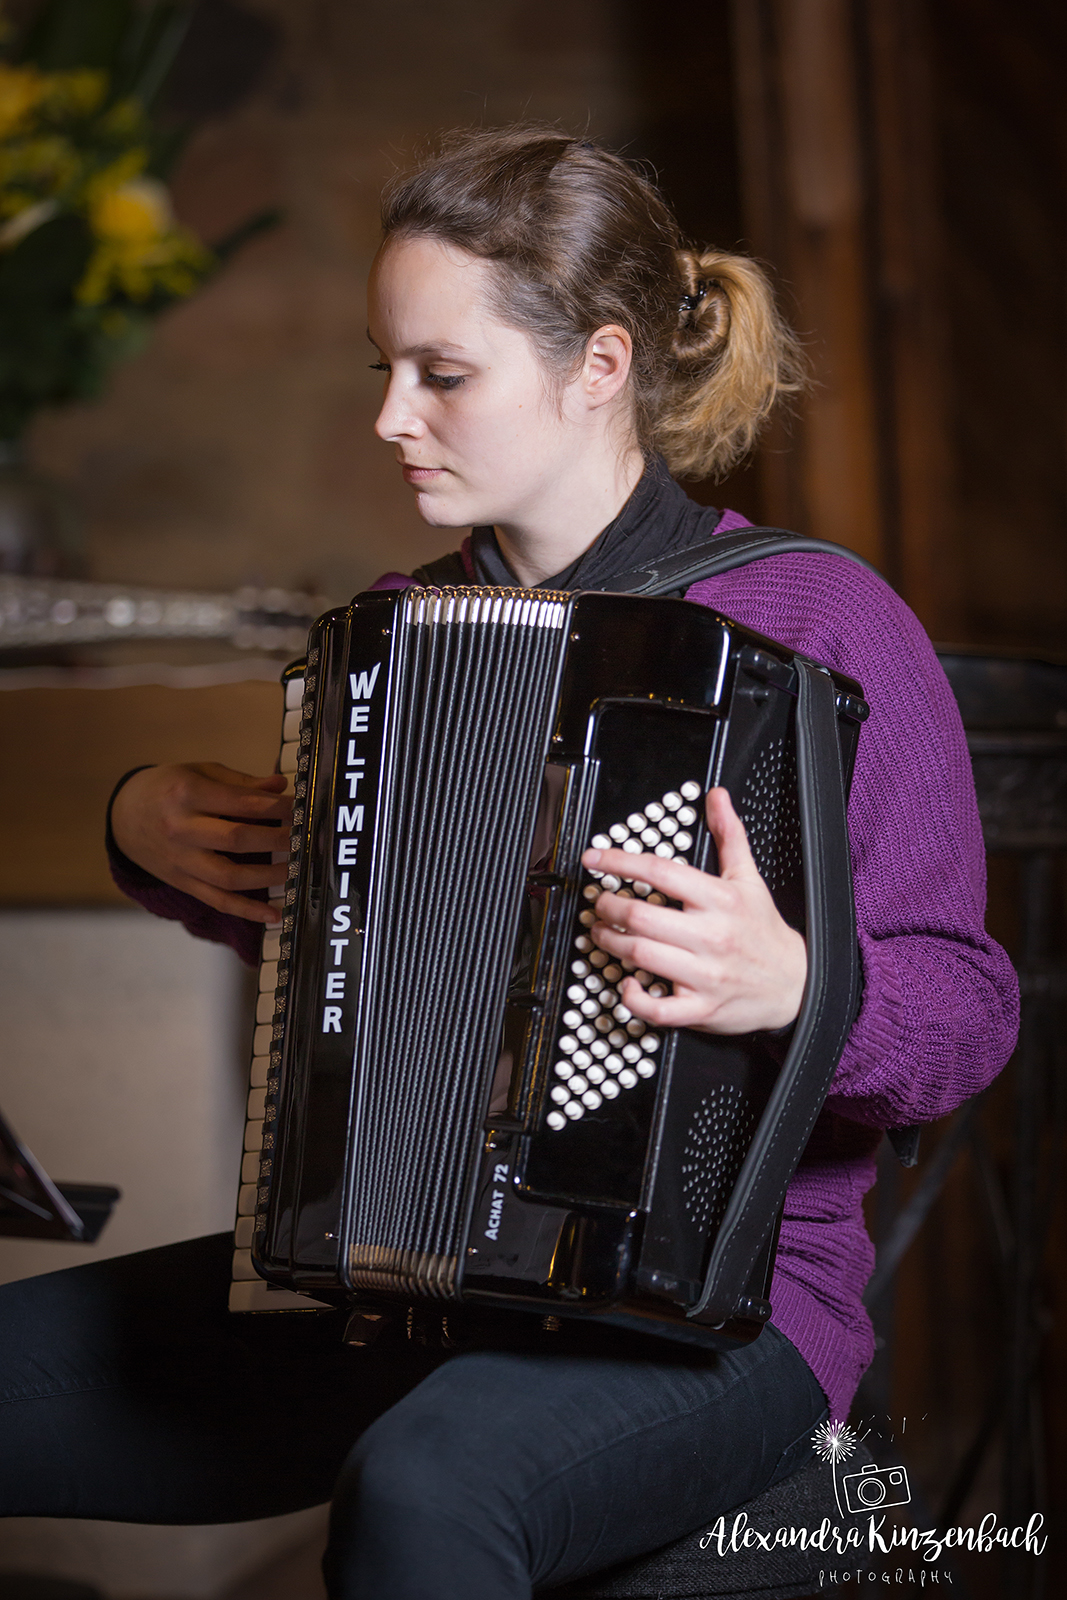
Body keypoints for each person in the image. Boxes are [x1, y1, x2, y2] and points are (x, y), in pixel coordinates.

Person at [0, 127, 1018, 1599]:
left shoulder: (822, 618)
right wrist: (143, 825)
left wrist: (798, 985)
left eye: (443, 373)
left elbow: (970, 1014)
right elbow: (364, 957)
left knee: (430, 1491)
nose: (391, 418)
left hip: (720, 1309)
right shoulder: (400, 626)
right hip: (390, 1281)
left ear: (600, 364)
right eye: (384, 370)